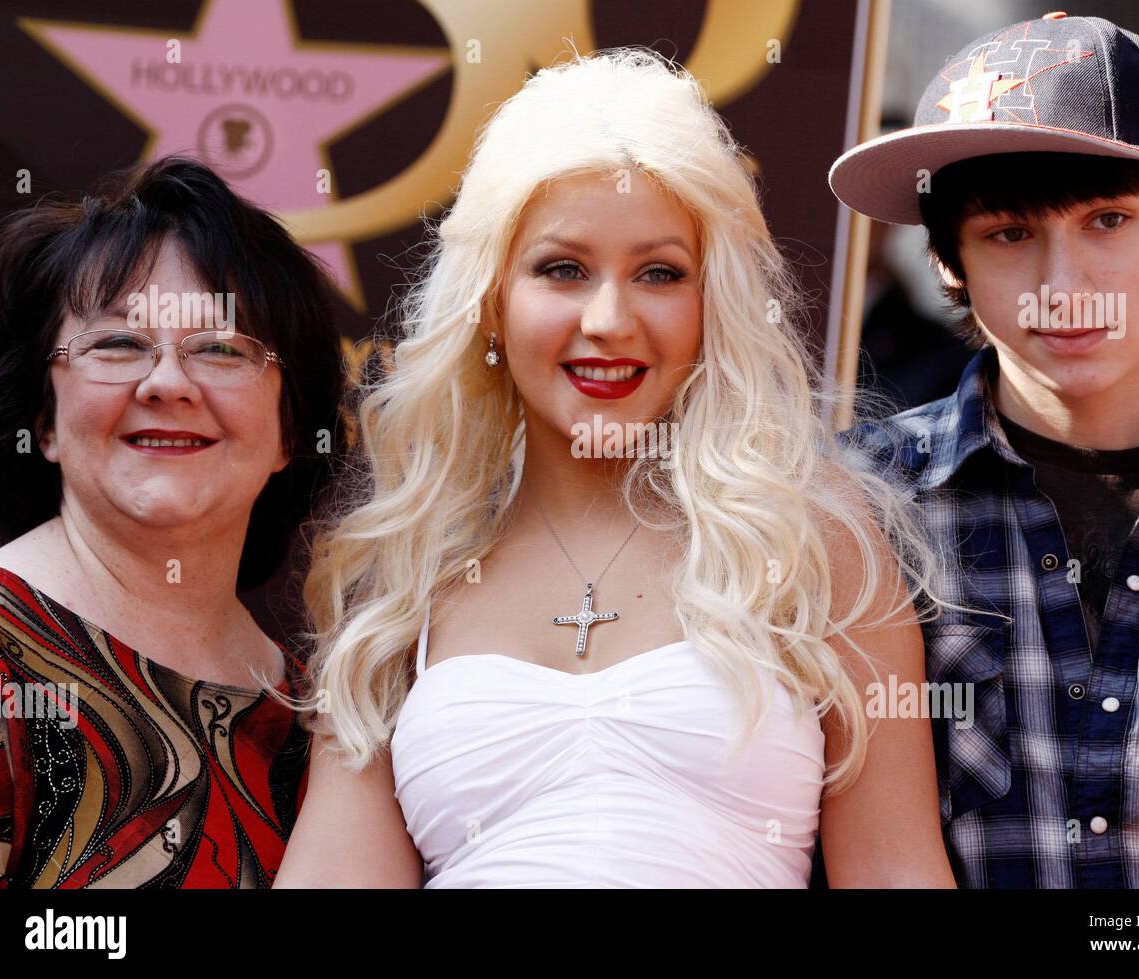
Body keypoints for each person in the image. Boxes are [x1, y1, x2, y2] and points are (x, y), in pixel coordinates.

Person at [275, 48, 956, 888]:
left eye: (659, 273)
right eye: (563, 269)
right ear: (492, 299)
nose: (609, 318)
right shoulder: (405, 576)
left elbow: (898, 874)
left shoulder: (814, 539)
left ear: (714, 305)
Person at [831, 12, 1139, 888]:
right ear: (948, 261)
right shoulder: (857, 506)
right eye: (1009, 234)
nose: (1063, 286)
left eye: (1107, 220)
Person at [0, 156, 348, 887]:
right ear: (43, 419)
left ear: (289, 428)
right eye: (117, 343)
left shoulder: (327, 720)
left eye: (220, 349)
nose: (168, 382)